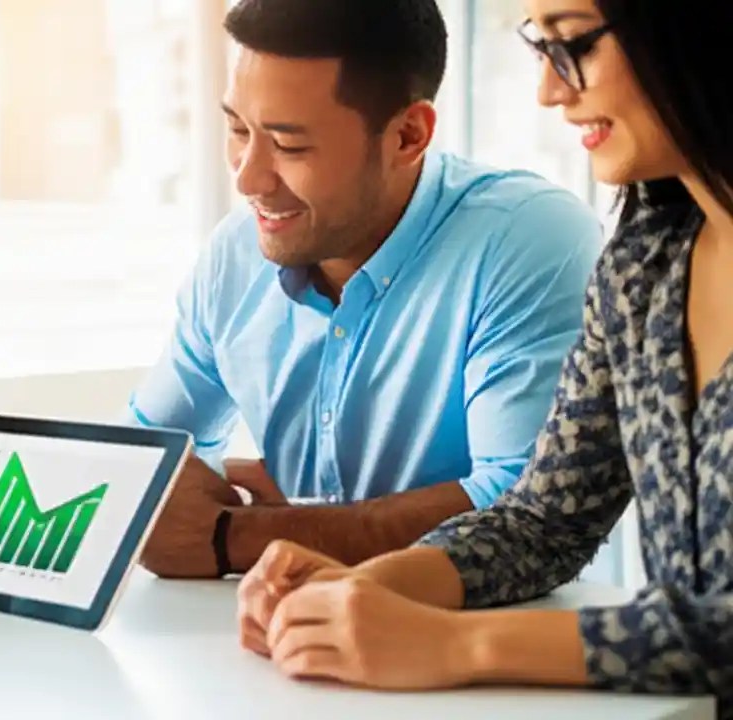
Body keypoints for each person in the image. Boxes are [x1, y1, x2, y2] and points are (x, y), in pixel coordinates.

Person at [236, 0, 733, 712]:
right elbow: (543, 521)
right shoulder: (644, 265)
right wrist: (367, 587)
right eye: (541, 48)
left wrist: (453, 646)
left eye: (573, 44)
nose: (551, 91)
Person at [131, 0, 604, 578]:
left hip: (501, 650)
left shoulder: (527, 238)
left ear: (407, 135)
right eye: (237, 129)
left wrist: (241, 535)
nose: (248, 177)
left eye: (289, 145)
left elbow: (526, 505)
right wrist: (205, 499)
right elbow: (141, 454)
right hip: (286, 642)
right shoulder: (236, 254)